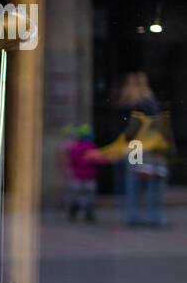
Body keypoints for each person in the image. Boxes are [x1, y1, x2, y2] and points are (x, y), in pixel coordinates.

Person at [89, 76, 174, 228]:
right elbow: (163, 135)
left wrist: (105, 153)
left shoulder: (137, 110)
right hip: (155, 154)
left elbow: (128, 138)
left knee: (135, 186)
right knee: (153, 188)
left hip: (139, 152)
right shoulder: (155, 108)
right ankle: (153, 217)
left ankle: (134, 217)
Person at [62, 124, 99, 222]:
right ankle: (88, 213)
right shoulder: (92, 147)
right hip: (89, 176)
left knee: (77, 195)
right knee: (89, 195)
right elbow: (96, 160)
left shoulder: (75, 147)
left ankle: (74, 209)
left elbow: (72, 161)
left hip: (77, 176)